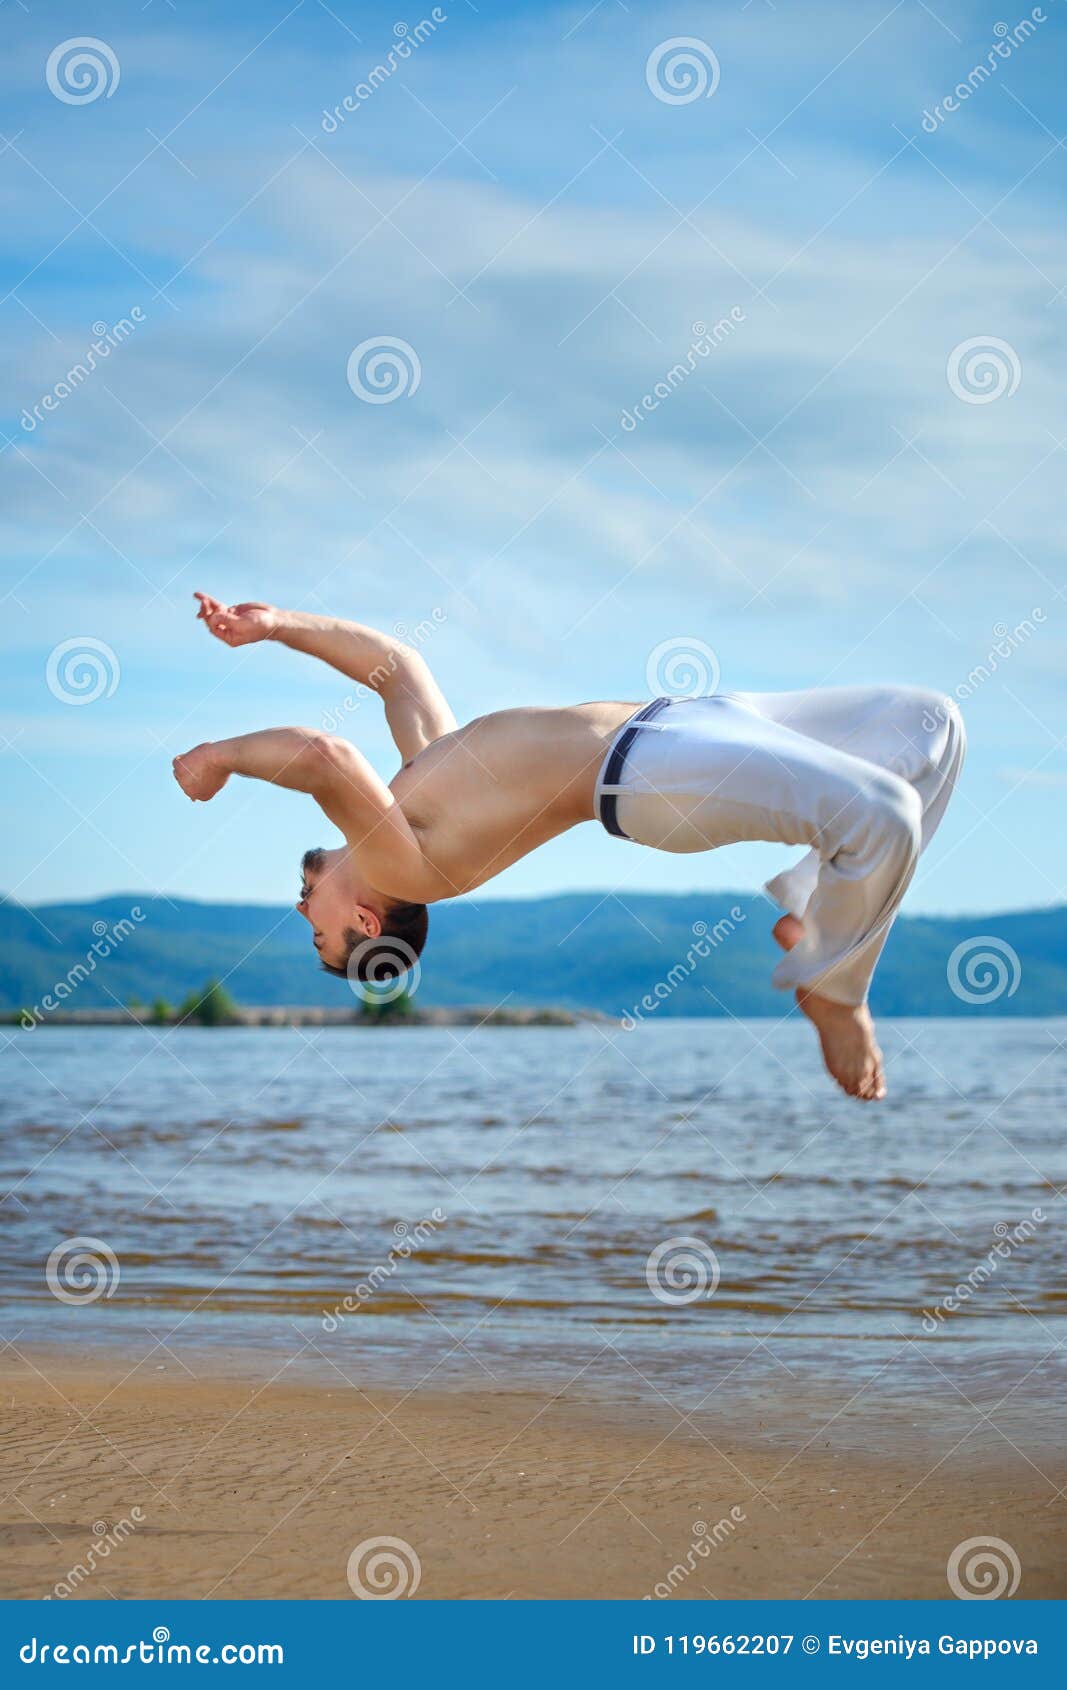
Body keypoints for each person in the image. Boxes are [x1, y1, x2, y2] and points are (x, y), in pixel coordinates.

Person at [174, 594, 965, 1102]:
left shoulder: (421, 798)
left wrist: (276, 626)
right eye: (315, 932)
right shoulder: (400, 866)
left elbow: (397, 670)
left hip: (681, 718)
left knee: (929, 724)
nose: (301, 910)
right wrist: (220, 758)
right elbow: (323, 757)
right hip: (649, 776)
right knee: (883, 816)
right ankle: (833, 990)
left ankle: (813, 910)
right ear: (368, 922)